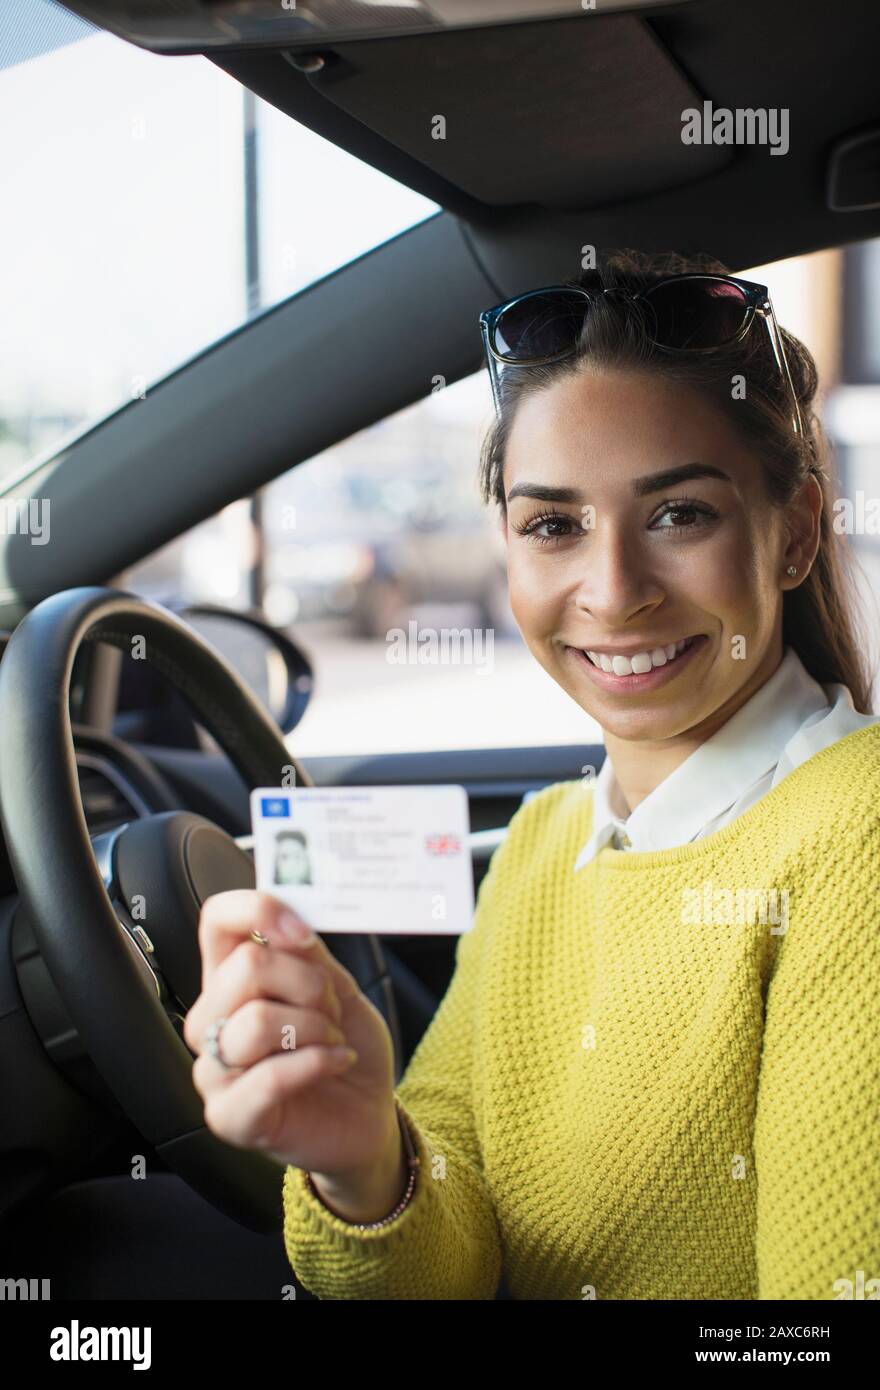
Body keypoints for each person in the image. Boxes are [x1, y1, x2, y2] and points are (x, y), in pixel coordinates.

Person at [183, 249, 880, 1300]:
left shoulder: (857, 829)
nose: (612, 592)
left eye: (678, 514)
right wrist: (366, 1162)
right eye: (553, 525)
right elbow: (444, 1270)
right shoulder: (547, 842)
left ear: (788, 532)